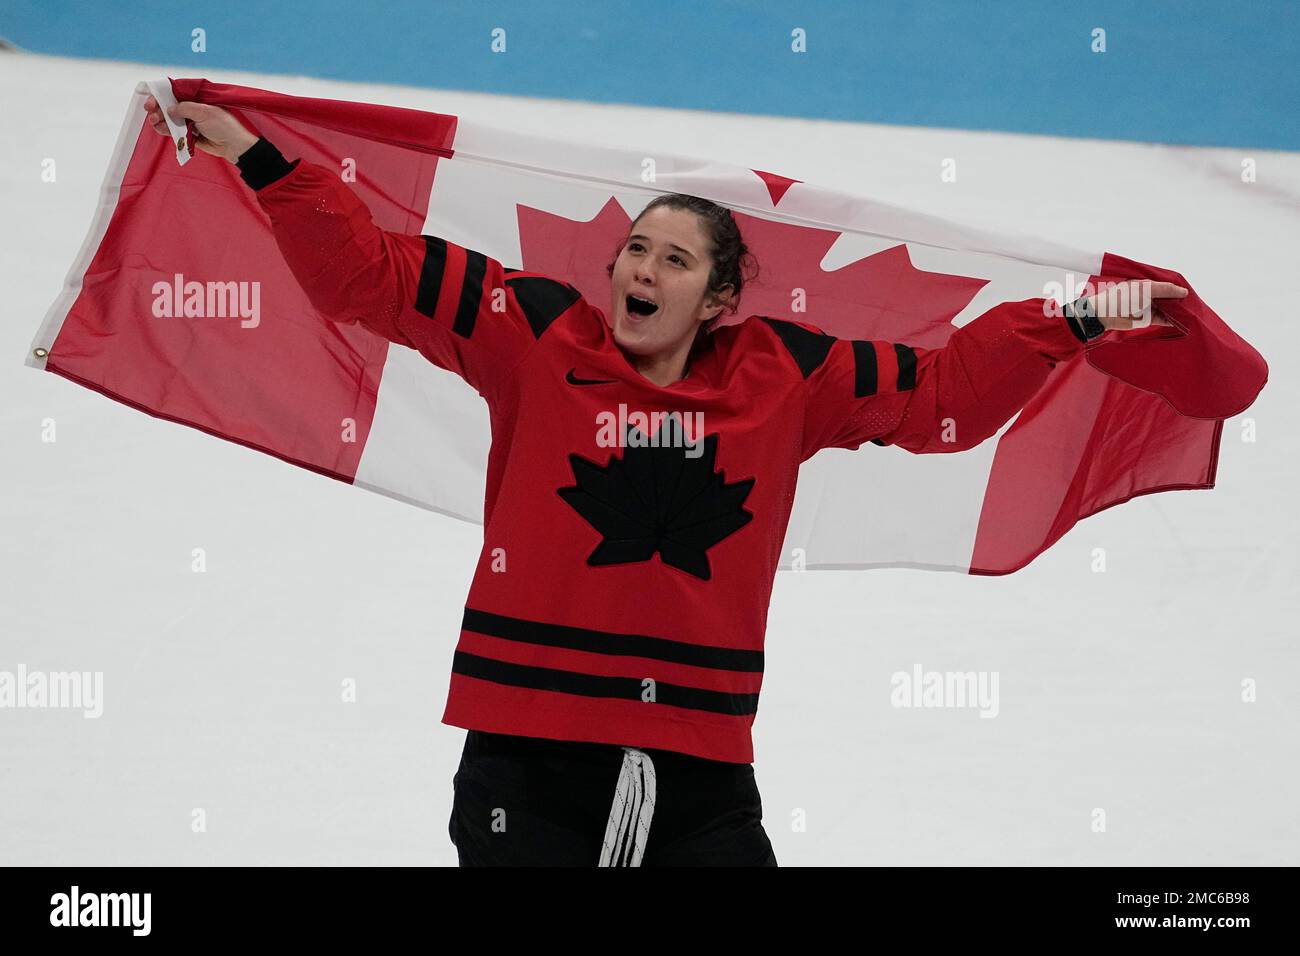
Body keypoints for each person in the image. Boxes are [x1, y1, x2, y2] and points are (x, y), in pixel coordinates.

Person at [142, 95, 1186, 867]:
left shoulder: (786, 376)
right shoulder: (533, 332)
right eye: (634, 250)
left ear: (721, 298)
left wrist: (1077, 317)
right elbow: (364, 274)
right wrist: (260, 156)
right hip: (526, 759)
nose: (641, 269)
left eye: (674, 261)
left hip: (699, 776)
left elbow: (942, 399)